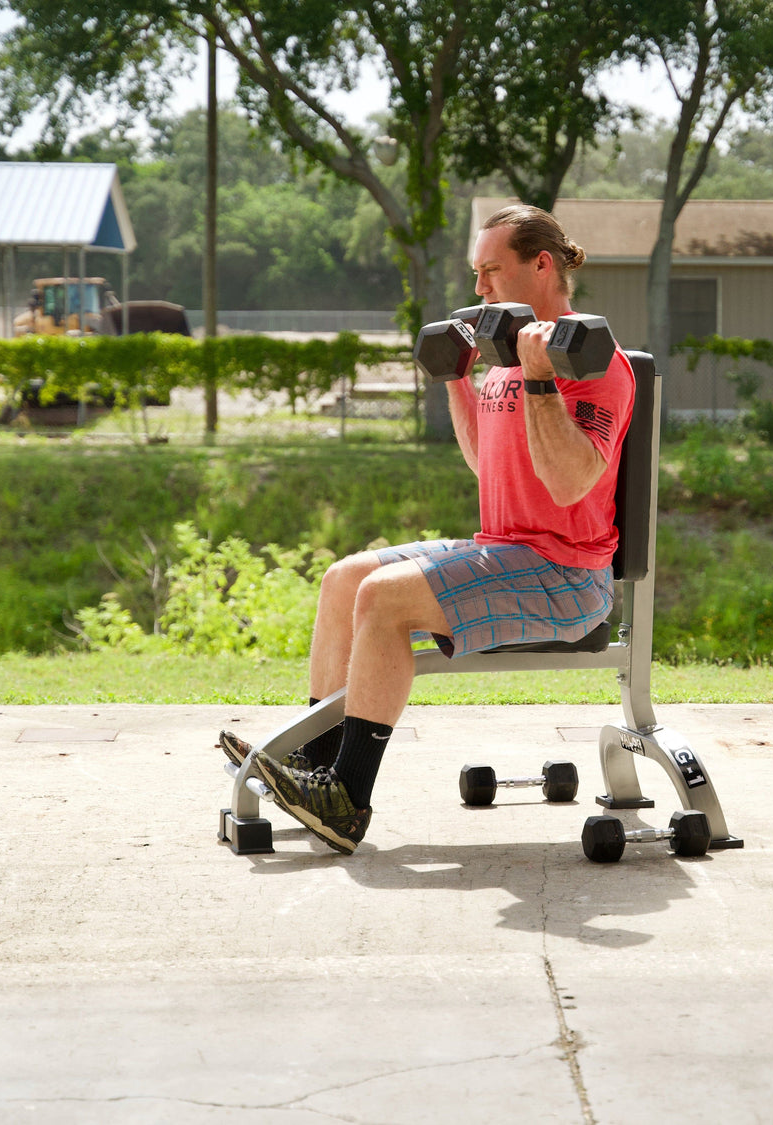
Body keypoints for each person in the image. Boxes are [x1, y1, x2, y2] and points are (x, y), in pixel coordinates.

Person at [219, 204, 636, 854]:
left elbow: (568, 483)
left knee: (382, 598)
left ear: (542, 264)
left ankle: (347, 799)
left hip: (565, 577)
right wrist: (456, 381)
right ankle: (314, 768)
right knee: (344, 579)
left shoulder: (593, 364)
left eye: (491, 270)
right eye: (476, 273)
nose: (479, 289)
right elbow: (484, 464)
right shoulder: (510, 357)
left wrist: (540, 384)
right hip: (502, 551)